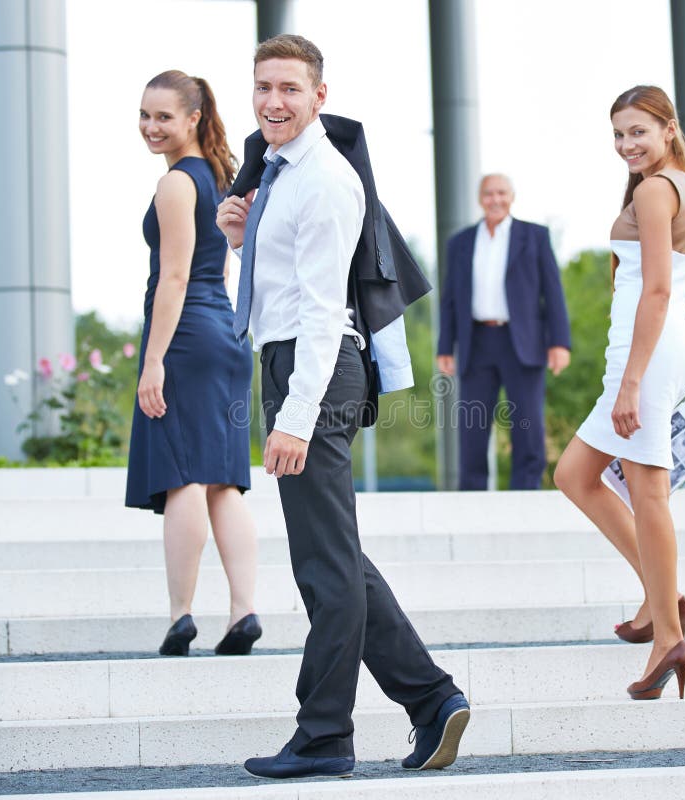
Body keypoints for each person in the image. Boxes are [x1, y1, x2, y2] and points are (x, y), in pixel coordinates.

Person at [216, 35, 469, 780]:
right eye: (263, 87)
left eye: (290, 88)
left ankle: (325, 734)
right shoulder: (283, 174)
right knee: (337, 558)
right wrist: (242, 237)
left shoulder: (324, 178)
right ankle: (432, 700)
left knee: (325, 566)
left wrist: (294, 418)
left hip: (314, 372)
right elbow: (287, 288)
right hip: (294, 361)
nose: (273, 102)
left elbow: (326, 312)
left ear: (319, 95)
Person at [554, 85, 685, 700]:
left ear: (667, 128)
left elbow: (661, 291)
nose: (627, 145)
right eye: (618, 134)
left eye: (638, 131)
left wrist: (635, 380)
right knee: (575, 474)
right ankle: (661, 596)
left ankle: (668, 634)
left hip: (649, 355)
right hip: (658, 349)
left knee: (648, 491)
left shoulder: (653, 190)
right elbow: (677, 287)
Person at [125, 70, 261, 658]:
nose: (152, 127)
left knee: (182, 476)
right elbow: (224, 265)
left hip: (185, 339)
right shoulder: (219, 177)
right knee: (222, 482)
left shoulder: (178, 185)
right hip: (223, 332)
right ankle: (244, 611)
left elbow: (174, 278)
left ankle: (182, 615)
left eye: (164, 117)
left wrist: (153, 360)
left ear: (193, 119)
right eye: (145, 115)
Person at [437, 174, 571, 490]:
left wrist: (559, 342)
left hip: (522, 342)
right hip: (476, 342)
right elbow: (450, 298)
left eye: (501, 193)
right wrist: (445, 346)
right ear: (479, 199)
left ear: (512, 197)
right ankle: (472, 494)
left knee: (527, 424)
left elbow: (553, 292)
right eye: (488, 194)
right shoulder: (461, 242)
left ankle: (525, 493)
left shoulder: (534, 236)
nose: (495, 200)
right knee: (472, 426)